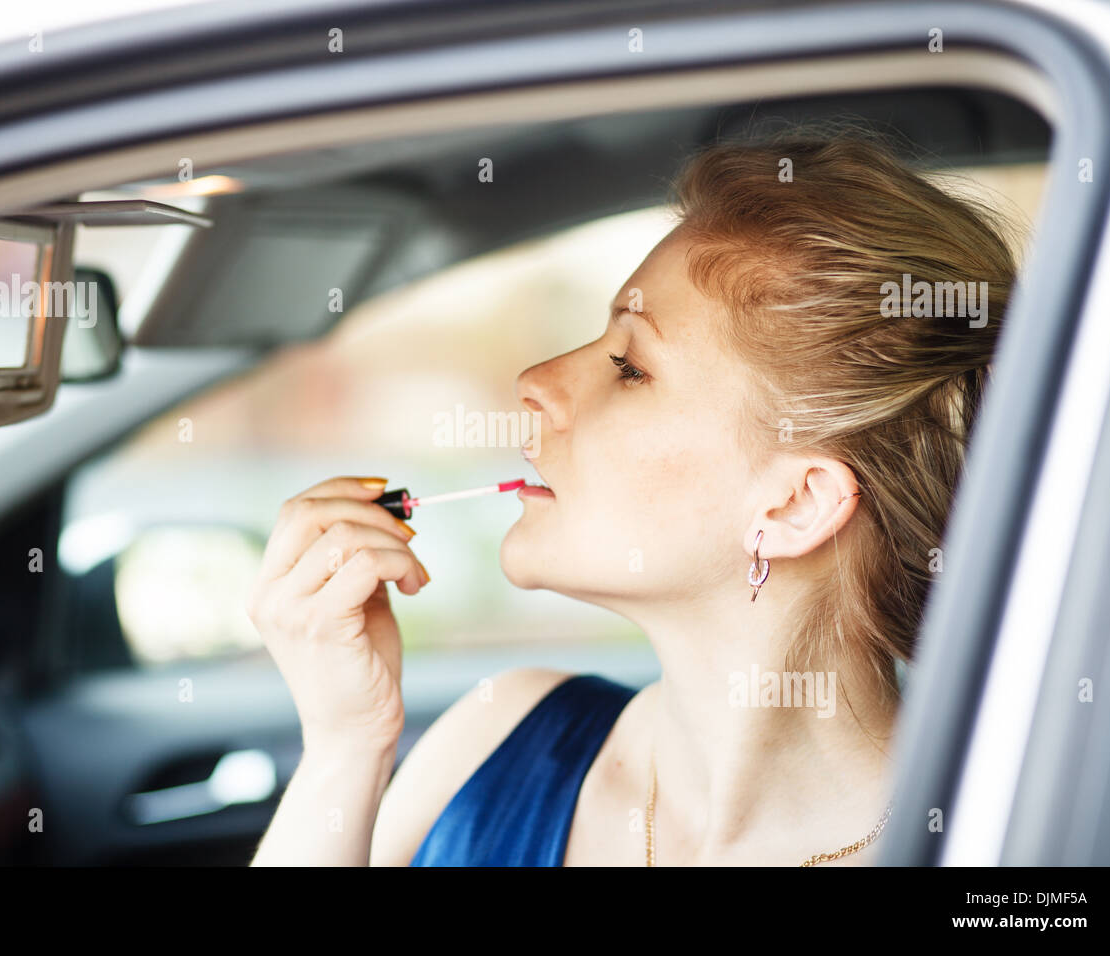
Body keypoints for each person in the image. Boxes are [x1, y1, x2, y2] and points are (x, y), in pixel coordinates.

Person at [245, 132, 1019, 866]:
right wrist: (345, 747)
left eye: (629, 367)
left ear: (794, 505)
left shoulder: (1002, 848)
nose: (537, 381)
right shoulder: (497, 737)